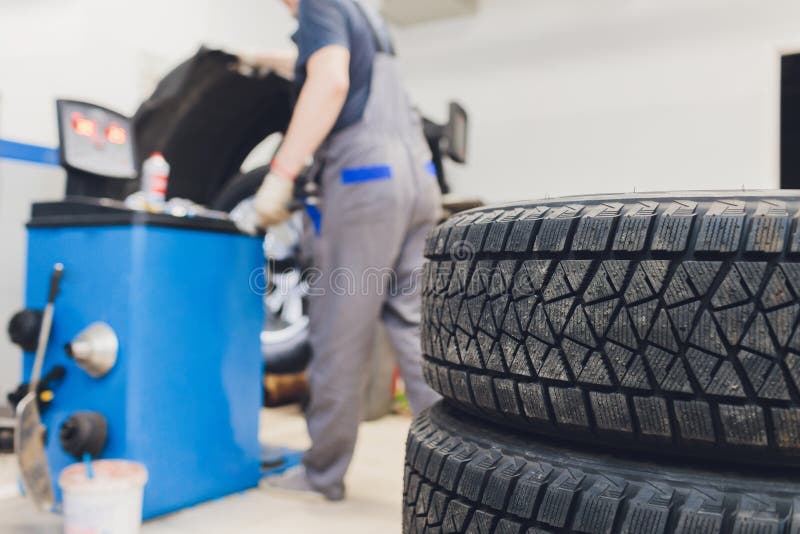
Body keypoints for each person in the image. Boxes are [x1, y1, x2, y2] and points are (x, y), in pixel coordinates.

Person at [237, 0, 442, 501]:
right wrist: (265, 59)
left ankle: (321, 475)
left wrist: (281, 174)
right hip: (419, 177)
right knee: (415, 334)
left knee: (338, 331)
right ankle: (458, 471)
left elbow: (330, 80)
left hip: (364, 178)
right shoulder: (367, 14)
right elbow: (336, 62)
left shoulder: (317, 2)